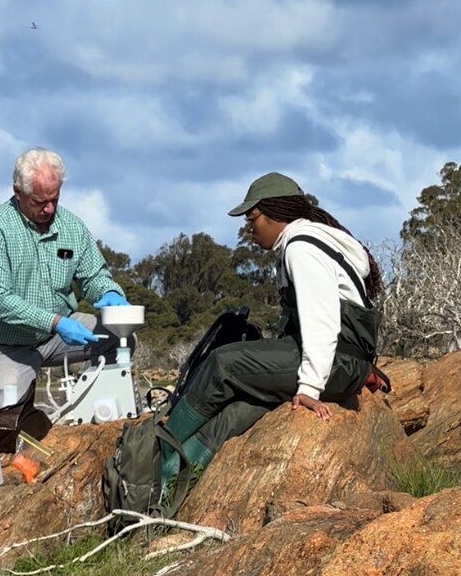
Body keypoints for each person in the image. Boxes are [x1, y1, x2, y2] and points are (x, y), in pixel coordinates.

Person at [163, 172, 382, 472]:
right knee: (241, 406)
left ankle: (159, 450)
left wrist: (309, 388)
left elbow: (322, 322)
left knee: (222, 363)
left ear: (277, 214)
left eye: (252, 218)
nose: (248, 227)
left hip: (335, 365)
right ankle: (175, 474)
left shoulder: (301, 248)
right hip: (341, 364)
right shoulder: (299, 244)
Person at [0, 147, 130, 413]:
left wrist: (109, 292)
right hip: (3, 344)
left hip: (57, 334)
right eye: (40, 202)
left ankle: (101, 409)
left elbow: (94, 275)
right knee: (11, 426)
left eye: (55, 198)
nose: (49, 208)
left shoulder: (72, 227)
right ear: (18, 192)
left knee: (119, 337)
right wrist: (54, 322)